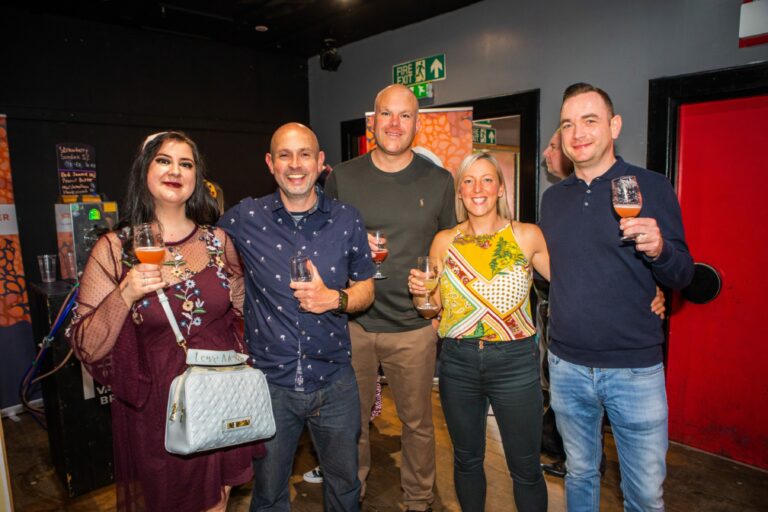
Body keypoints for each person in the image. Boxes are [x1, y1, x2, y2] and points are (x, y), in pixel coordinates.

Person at [68, 131, 262, 512]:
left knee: (218, 504)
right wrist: (125, 293)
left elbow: (242, 310)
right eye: (164, 160)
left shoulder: (217, 240)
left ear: (196, 179)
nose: (175, 170)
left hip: (220, 394)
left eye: (185, 163)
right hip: (162, 408)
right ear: (144, 172)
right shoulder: (115, 248)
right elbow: (86, 345)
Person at [539, 83, 694, 511]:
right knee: (580, 475)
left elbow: (681, 273)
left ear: (614, 126)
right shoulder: (552, 200)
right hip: (567, 366)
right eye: (568, 123)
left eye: (590, 120)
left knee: (644, 493)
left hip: (635, 369)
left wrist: (660, 251)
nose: (578, 133)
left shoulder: (652, 186)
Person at [218, 123, 375, 512]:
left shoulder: (347, 218)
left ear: (321, 163)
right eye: (284, 155)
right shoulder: (245, 217)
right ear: (271, 164)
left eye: (305, 154)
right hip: (270, 385)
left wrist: (333, 298)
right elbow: (200, 248)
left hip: (335, 381)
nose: (295, 164)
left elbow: (367, 290)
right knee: (269, 494)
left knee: (345, 487)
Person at [325, 84, 455, 512]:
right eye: (386, 114)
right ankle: (350, 493)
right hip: (355, 325)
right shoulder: (343, 177)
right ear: (372, 122)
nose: (395, 124)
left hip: (414, 327)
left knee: (417, 424)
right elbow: (324, 243)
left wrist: (437, 311)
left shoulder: (438, 180)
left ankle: (418, 501)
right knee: (351, 421)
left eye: (404, 116)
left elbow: (449, 248)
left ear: (417, 124)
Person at [409, 152, 549, 512]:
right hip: (458, 363)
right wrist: (419, 294)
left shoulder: (527, 236)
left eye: (487, 179)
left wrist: (646, 290)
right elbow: (432, 309)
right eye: (468, 181)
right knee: (467, 459)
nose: (478, 189)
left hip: (515, 364)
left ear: (500, 188)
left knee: (526, 467)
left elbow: (572, 283)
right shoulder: (444, 241)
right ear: (459, 193)